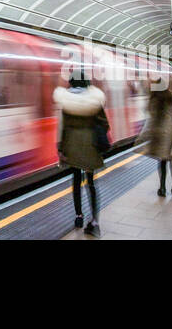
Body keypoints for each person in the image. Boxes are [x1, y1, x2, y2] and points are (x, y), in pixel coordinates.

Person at [55, 73, 111, 237]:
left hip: (72, 146)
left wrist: (61, 149)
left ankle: (79, 216)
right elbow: (104, 124)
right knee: (91, 183)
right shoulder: (94, 100)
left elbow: (62, 127)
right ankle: (94, 221)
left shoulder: (66, 100)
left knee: (76, 180)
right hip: (90, 145)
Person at [139, 77, 172, 196]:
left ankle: (162, 188)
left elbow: (150, 114)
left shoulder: (152, 100)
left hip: (160, 134)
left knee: (163, 160)